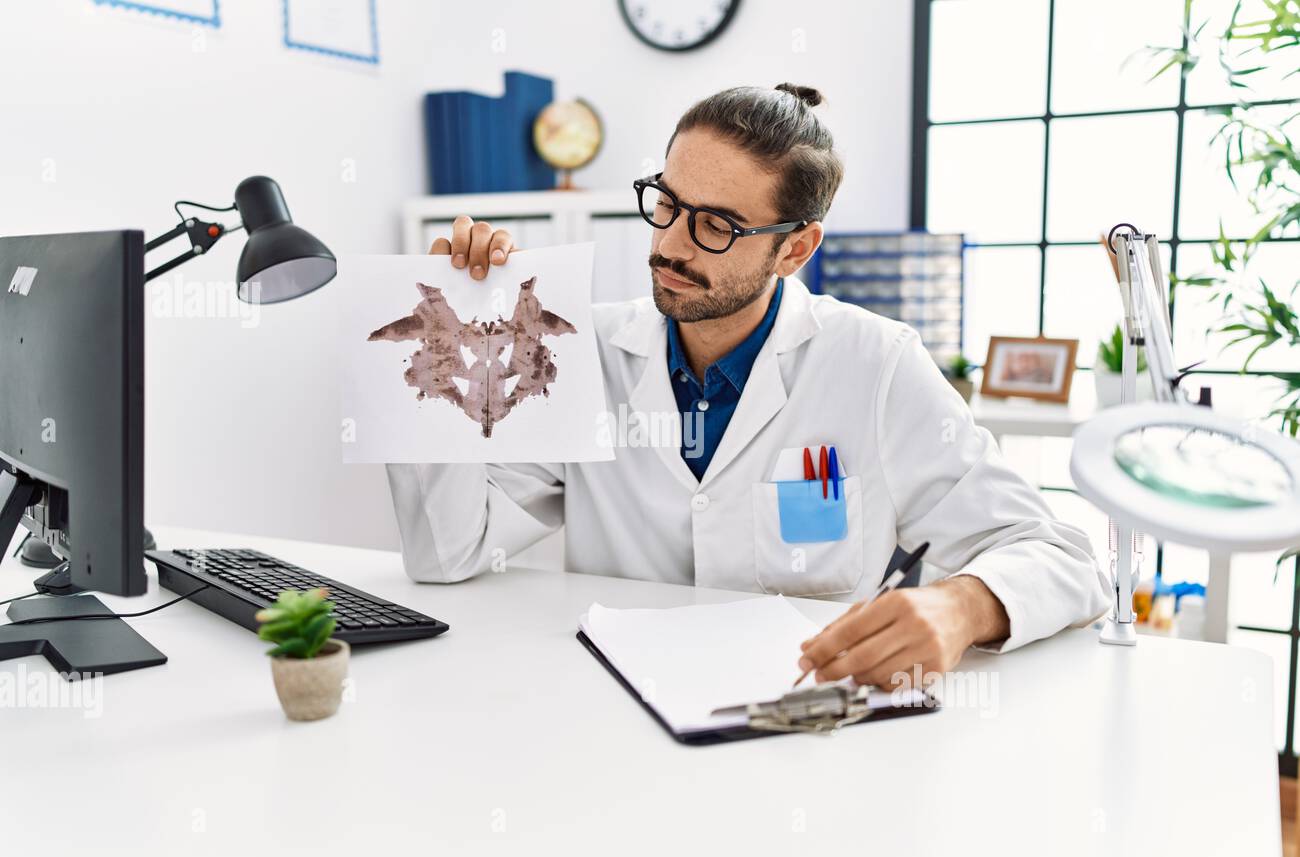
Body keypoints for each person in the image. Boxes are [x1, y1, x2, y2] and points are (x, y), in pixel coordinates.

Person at [387, 83, 1109, 688]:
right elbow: (445, 553)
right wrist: (450, 345)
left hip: (799, 724)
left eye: (715, 227)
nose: (668, 244)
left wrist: (962, 606)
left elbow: (1067, 559)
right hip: (612, 722)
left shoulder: (876, 363)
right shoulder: (585, 354)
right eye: (665, 204)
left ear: (795, 248)